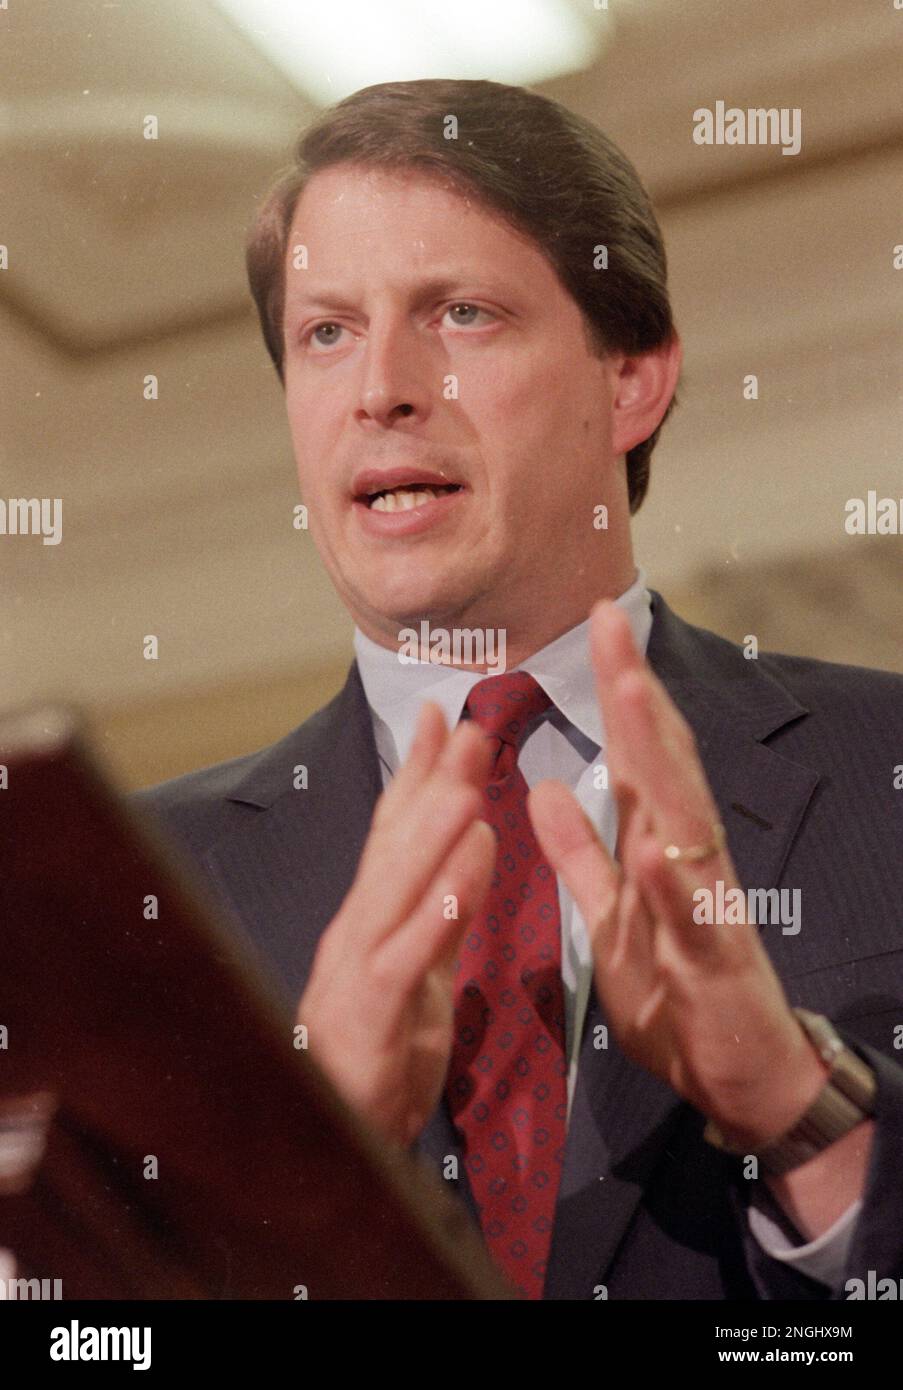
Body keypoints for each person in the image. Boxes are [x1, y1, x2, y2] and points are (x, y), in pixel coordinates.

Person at [135, 79, 903, 1301]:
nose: (380, 385)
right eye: (326, 331)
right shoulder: (130, 887)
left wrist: (800, 1112)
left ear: (631, 379)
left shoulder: (886, 763)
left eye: (463, 312)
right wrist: (303, 1169)